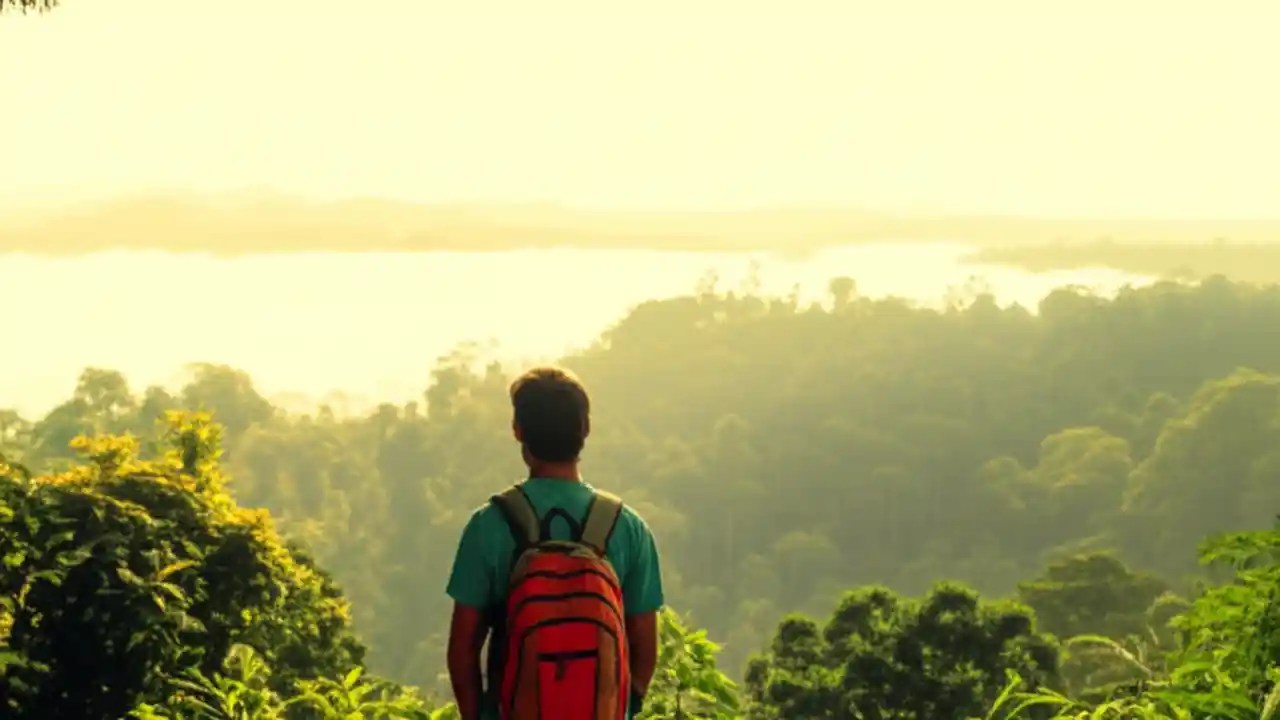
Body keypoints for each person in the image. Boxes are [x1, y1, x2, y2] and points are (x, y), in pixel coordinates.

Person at [445, 366, 664, 720]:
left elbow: (462, 653)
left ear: (518, 431)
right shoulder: (628, 528)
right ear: (586, 430)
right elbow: (644, 649)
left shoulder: (488, 526)